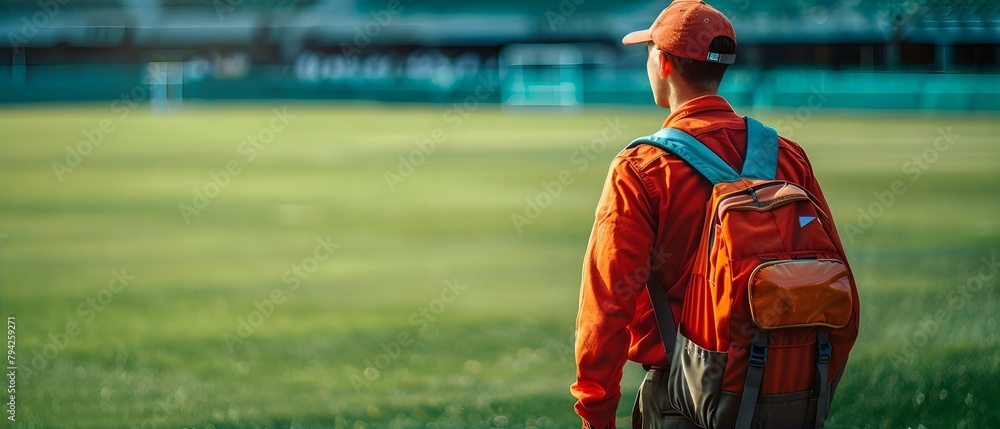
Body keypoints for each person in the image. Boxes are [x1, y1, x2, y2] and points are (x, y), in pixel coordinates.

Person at [571, 1, 842, 428]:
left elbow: (606, 306)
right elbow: (831, 277)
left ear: (661, 62)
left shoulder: (640, 166)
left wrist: (596, 413)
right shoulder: (789, 157)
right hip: (788, 391)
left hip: (684, 397)